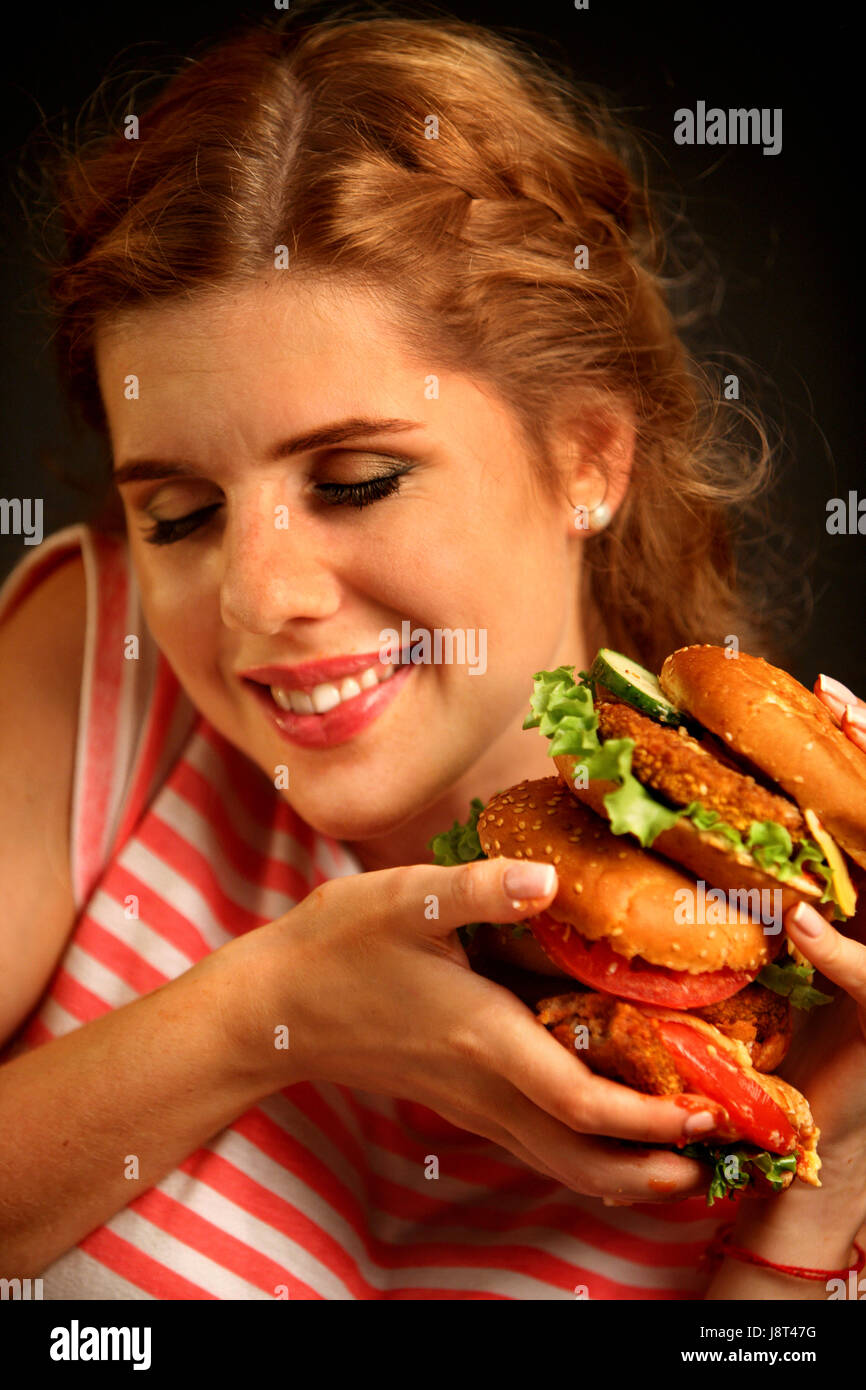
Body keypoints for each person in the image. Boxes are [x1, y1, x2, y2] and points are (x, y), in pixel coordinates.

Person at [1, 8, 864, 1301]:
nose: (256, 596)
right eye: (179, 512)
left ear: (585, 454)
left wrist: (832, 1165)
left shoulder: (816, 942)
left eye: (353, 481)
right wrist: (261, 1016)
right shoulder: (101, 663)